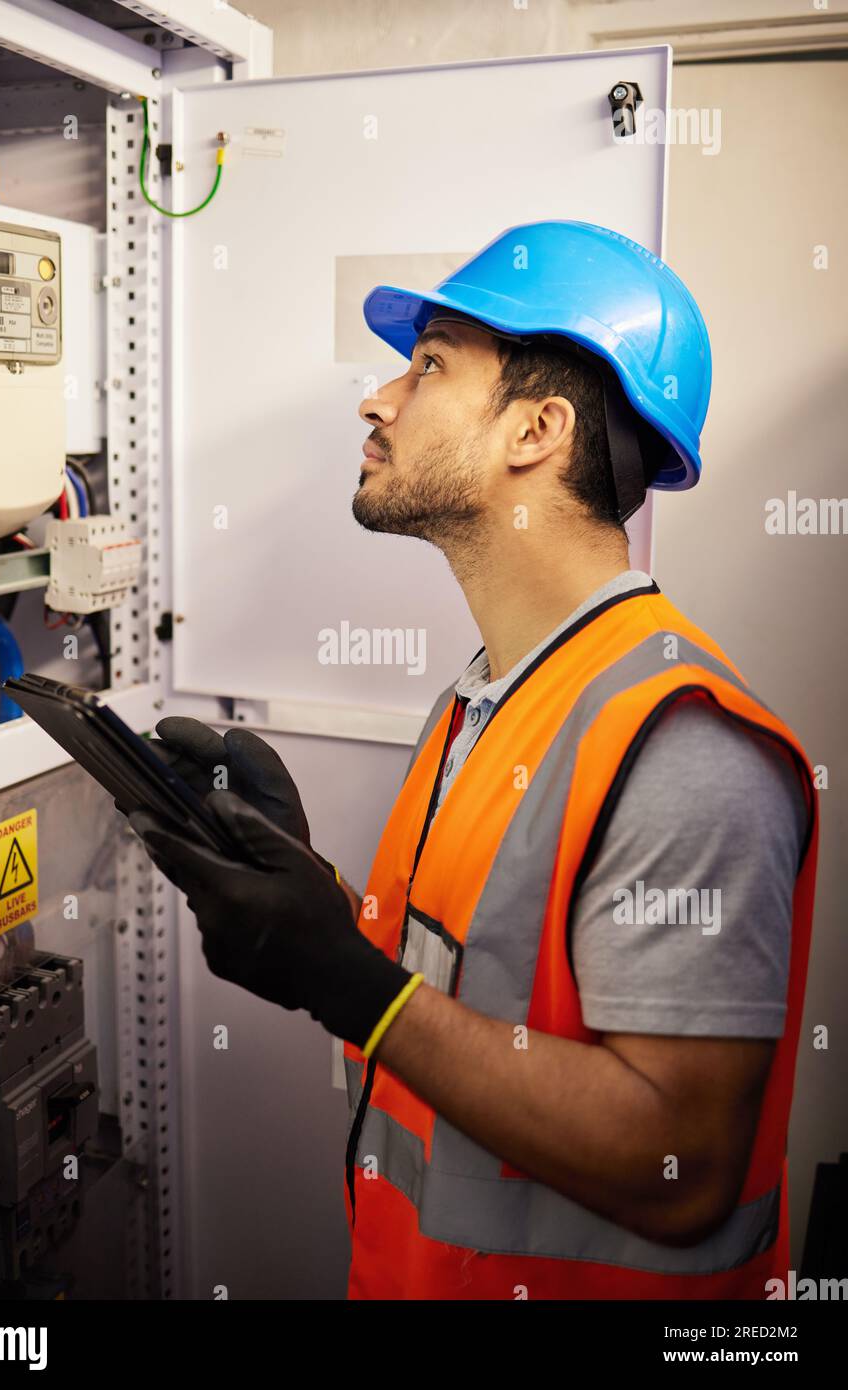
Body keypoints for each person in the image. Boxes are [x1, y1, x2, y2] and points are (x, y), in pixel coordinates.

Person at [125, 222, 818, 1300]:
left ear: (536, 432)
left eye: (430, 365)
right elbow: (472, 985)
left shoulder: (681, 741)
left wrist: (343, 983)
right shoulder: (492, 695)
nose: (379, 400)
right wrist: (314, 898)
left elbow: (677, 1166)